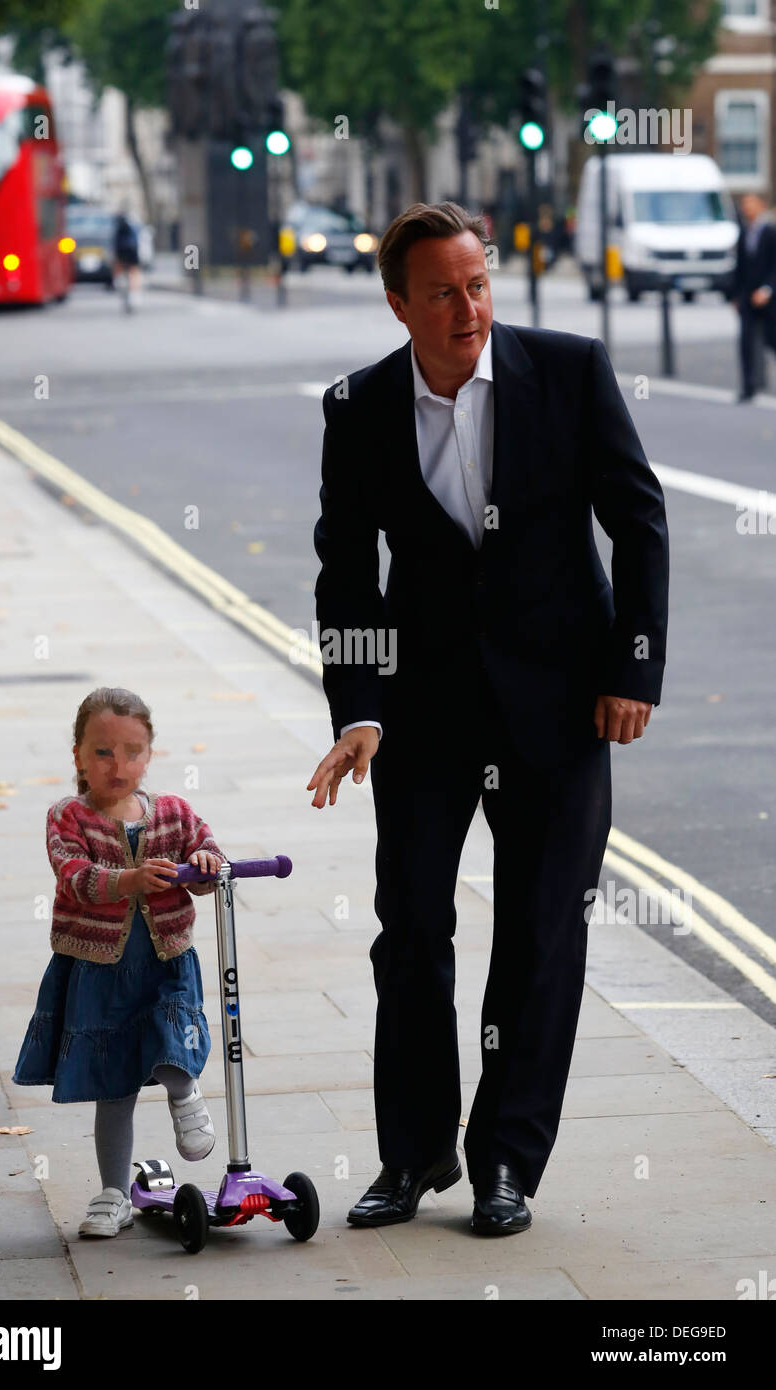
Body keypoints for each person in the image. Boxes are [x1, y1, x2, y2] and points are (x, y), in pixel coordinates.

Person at [307, 201, 669, 1237]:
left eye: (476, 284)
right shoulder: (359, 407)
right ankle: (412, 1154)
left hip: (560, 708)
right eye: (440, 291)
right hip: (421, 712)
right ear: (397, 303)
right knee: (410, 929)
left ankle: (505, 1159)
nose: (465, 308)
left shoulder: (567, 370)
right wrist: (360, 709)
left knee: (539, 936)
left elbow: (636, 519)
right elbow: (345, 578)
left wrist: (632, 665)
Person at [12, 686, 226, 1237]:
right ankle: (112, 1192)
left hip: (166, 962)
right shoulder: (69, 816)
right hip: (99, 970)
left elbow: (211, 864)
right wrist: (128, 880)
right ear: (78, 756)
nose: (118, 764)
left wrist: (204, 864)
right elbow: (74, 877)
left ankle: (184, 1096)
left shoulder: (174, 814)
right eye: (102, 751)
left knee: (169, 1036)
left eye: (132, 751)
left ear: (149, 754)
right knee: (114, 1088)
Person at [731, 192, 776, 402]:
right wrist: (736, 295)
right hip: (748, 298)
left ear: (761, 205)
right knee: (746, 342)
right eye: (744, 204)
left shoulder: (770, 232)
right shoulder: (743, 232)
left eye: (750, 204)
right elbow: (740, 267)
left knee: (772, 340)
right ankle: (748, 387)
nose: (746, 208)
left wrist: (767, 290)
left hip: (769, 299)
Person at [112, 213, 142, 311]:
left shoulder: (117, 230)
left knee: (120, 270)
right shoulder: (132, 229)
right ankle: (134, 294)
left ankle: (119, 283)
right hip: (132, 254)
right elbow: (136, 243)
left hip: (121, 255)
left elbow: (115, 246)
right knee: (134, 273)